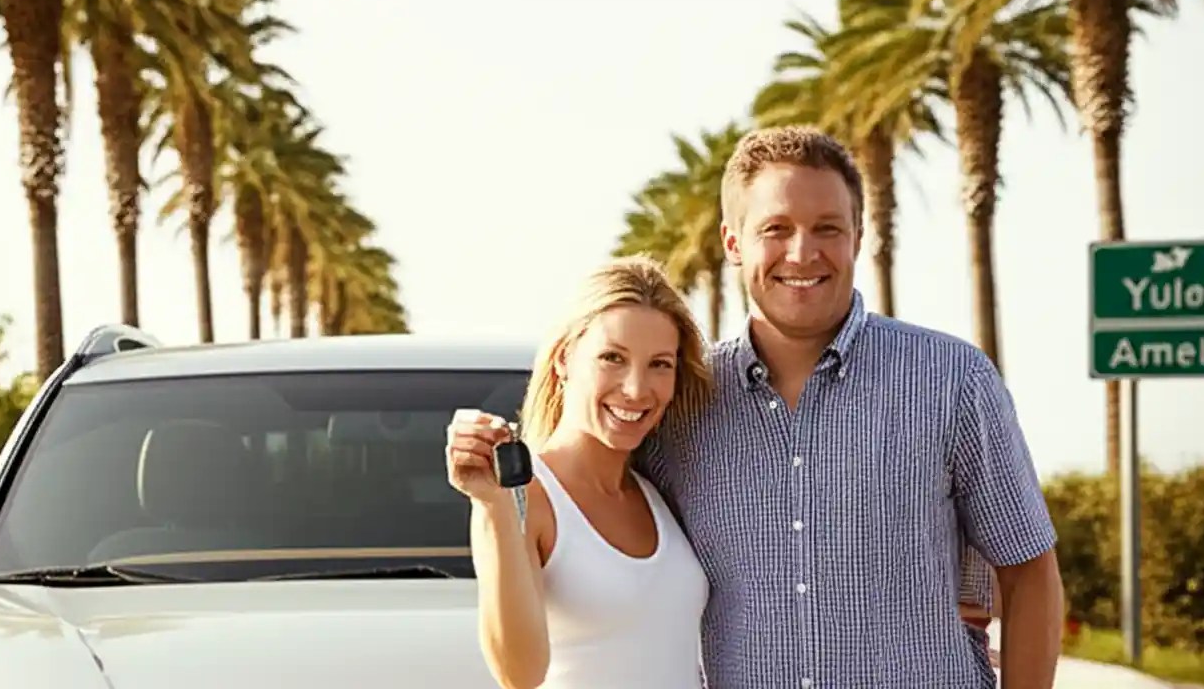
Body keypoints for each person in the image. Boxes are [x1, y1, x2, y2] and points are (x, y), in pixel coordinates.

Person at [630, 125, 1064, 688]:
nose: (802, 252)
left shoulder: (952, 380)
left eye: (827, 228)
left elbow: (1029, 572)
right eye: (776, 229)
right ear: (733, 243)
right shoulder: (682, 401)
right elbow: (588, 507)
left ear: (858, 235)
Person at [444, 256, 715, 689]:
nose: (635, 389)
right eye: (612, 357)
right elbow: (520, 674)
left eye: (660, 364)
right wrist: (492, 505)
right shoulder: (521, 496)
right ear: (564, 359)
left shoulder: (655, 492)